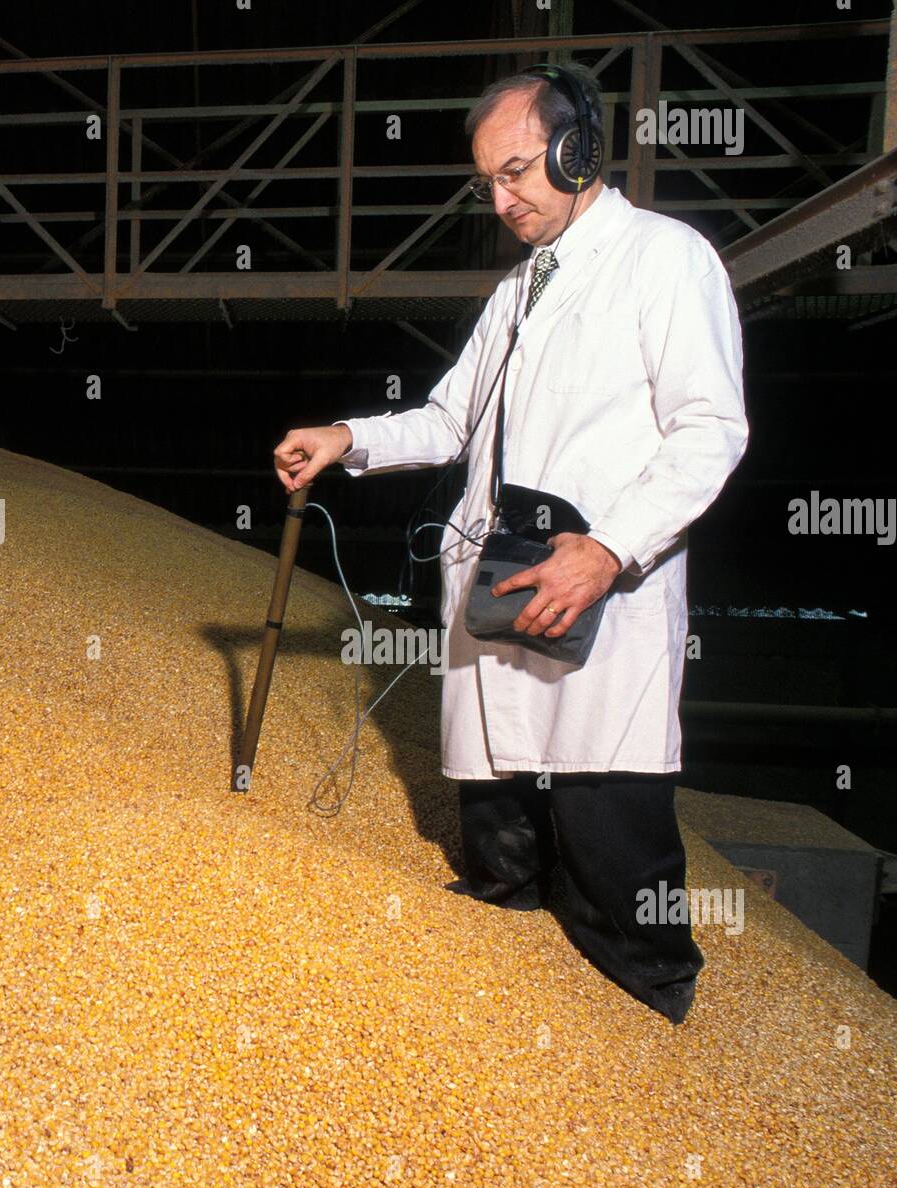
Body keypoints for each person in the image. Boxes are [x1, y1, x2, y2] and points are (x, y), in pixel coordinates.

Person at [273, 63, 748, 1024]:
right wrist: (349, 438)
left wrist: (609, 549)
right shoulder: (520, 288)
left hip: (595, 584)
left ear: (581, 151)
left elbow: (712, 428)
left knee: (606, 814)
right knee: (496, 817)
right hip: (497, 572)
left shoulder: (667, 259)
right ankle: (500, 960)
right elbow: (451, 418)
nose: (504, 200)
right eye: (488, 182)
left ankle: (650, 999)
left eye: (521, 172)